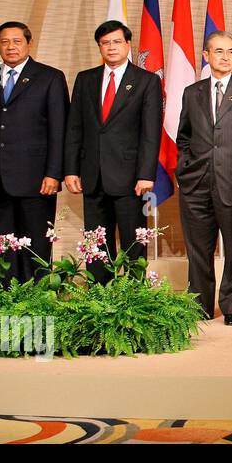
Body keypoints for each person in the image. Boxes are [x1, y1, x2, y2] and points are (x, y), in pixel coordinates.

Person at [176, 30, 232, 324]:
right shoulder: (193, 92)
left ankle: (231, 307)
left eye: (230, 52)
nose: (225, 57)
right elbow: (184, 137)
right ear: (206, 56)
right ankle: (201, 306)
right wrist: (185, 169)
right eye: (218, 51)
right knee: (199, 250)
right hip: (196, 184)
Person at [0, 21, 68, 283]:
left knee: (37, 245)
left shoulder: (50, 77)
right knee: (4, 245)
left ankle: (40, 299)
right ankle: (9, 298)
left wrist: (54, 173)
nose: (10, 47)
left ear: (28, 43)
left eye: (16, 41)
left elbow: (59, 131)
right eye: (4, 41)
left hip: (37, 180)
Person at [63, 20, 162, 284]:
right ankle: (100, 296)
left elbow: (150, 133)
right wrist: (71, 169)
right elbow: (74, 128)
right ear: (99, 47)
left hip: (131, 178)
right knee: (96, 243)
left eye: (117, 41)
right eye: (105, 43)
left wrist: (146, 175)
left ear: (128, 45)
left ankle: (133, 300)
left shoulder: (146, 81)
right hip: (92, 176)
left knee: (133, 242)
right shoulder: (85, 79)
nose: (111, 47)